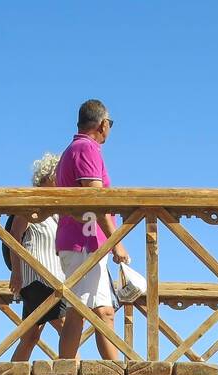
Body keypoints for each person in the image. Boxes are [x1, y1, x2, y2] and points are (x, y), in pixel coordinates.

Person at [55, 99, 129, 360]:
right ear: (102, 124)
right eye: (110, 124)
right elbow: (95, 201)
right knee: (83, 310)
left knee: (100, 311)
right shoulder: (88, 149)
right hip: (84, 241)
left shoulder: (71, 150)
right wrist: (116, 241)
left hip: (81, 241)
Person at [8, 153, 66, 361]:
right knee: (68, 326)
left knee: (32, 335)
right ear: (49, 177)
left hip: (54, 276)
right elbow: (14, 235)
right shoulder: (31, 203)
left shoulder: (59, 209)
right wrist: (16, 272)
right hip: (39, 277)